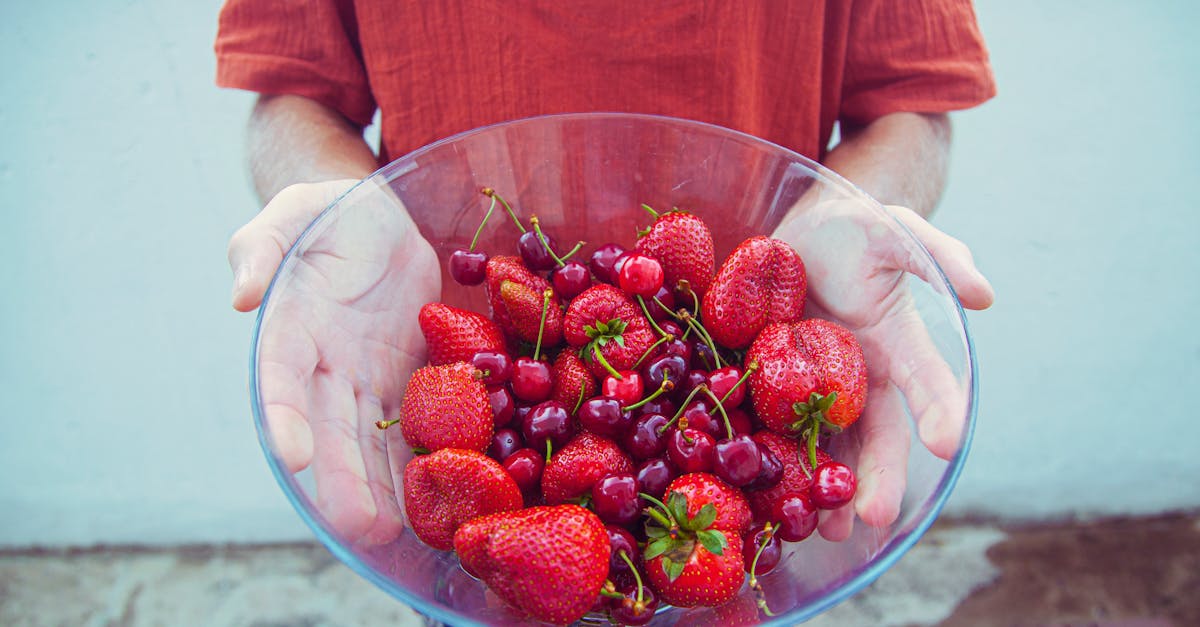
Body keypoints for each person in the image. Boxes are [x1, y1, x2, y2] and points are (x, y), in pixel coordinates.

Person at [216, 0, 997, 545]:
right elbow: (294, 91)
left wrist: (852, 207)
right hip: (447, 412)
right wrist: (334, 204)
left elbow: (909, 102)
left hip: (745, 443)